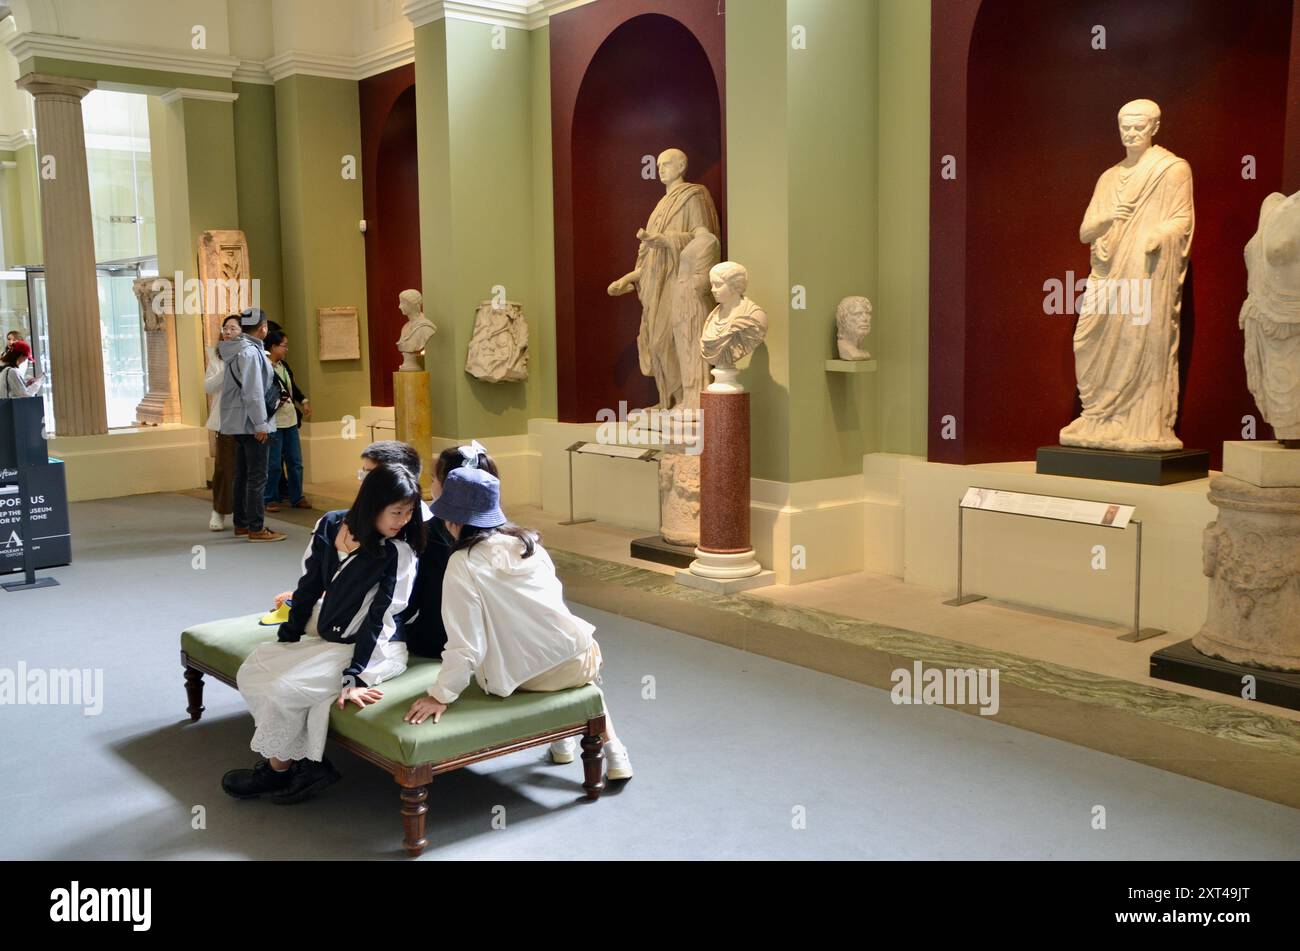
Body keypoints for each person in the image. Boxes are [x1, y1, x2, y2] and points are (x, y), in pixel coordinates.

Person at [403, 468, 632, 780]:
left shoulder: (463, 561)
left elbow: (466, 644)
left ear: (453, 520)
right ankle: (613, 750)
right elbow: (552, 605)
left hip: (524, 677)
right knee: (577, 671)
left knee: (535, 662)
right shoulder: (528, 543)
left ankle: (565, 739)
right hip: (579, 658)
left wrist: (439, 694)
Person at [222, 463, 425, 804]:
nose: (403, 521)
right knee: (256, 668)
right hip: (331, 639)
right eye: (396, 511)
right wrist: (288, 636)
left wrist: (356, 676)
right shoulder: (332, 524)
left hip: (376, 648)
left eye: (408, 512)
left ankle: (278, 771)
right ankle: (305, 765)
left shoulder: (397, 553)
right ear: (372, 504)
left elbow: (381, 618)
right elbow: (310, 584)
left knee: (287, 689)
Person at [398, 441, 498, 660]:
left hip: (439, 640)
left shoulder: (428, 533)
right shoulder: (508, 537)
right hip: (494, 641)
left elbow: (410, 599)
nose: (430, 484)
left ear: (450, 487)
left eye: (433, 479)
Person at [218, 308, 285, 542]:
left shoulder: (235, 350)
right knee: (257, 477)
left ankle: (242, 524)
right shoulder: (250, 353)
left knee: (243, 475)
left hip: (236, 422)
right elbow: (253, 392)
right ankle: (256, 528)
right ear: (263, 327)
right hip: (251, 423)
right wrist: (260, 424)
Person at [262, 330, 311, 513]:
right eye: (284, 346)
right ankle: (270, 498)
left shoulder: (284, 365)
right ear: (273, 347)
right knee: (273, 464)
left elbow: (292, 386)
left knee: (295, 461)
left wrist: (303, 400)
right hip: (273, 422)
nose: (286, 349)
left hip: (290, 420)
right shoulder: (263, 367)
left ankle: (297, 496)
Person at [204, 316, 242, 531]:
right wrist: (227, 372)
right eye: (225, 328)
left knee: (246, 471)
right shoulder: (217, 358)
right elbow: (208, 387)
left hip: (247, 421)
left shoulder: (250, 354)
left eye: (233, 328)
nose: (228, 332)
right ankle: (219, 511)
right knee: (224, 469)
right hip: (225, 421)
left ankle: (246, 515)